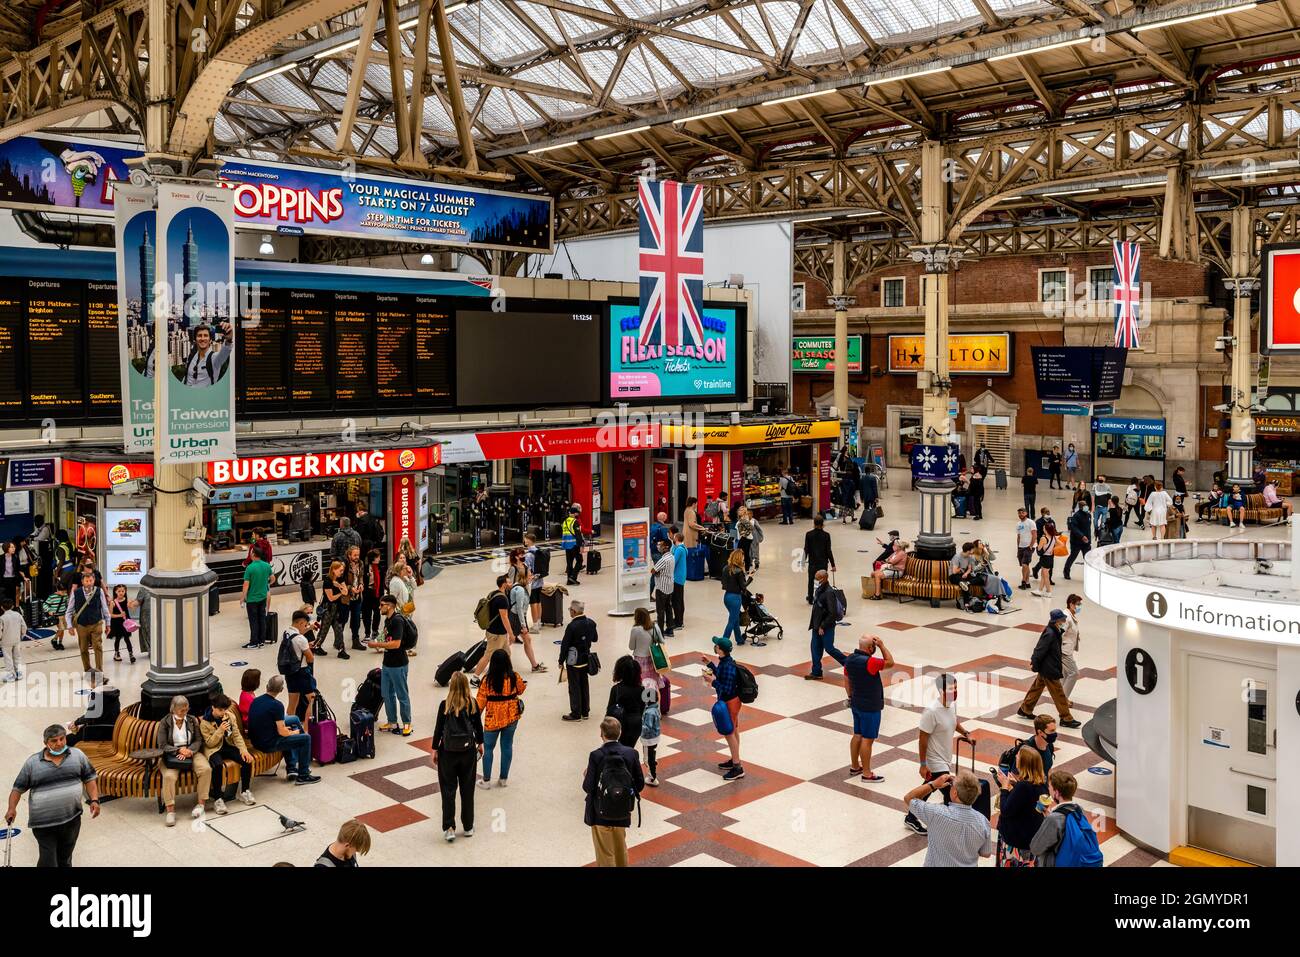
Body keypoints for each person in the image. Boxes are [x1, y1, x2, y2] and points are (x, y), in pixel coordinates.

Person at [5, 724, 100, 867]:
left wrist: (94, 800)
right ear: (46, 743)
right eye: (54, 741)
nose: (59, 743)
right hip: (44, 824)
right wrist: (12, 808)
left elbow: (90, 778)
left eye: (62, 739)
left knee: (65, 859)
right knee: (48, 862)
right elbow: (17, 789)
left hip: (71, 820)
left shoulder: (78, 756)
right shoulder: (33, 763)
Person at [904, 672, 973, 834]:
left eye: (956, 687)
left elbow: (953, 721)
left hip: (945, 756)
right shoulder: (931, 711)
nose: (955, 691)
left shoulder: (951, 705)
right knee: (948, 788)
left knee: (930, 788)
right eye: (951, 688)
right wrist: (923, 764)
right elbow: (922, 740)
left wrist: (965, 733)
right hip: (934, 760)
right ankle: (918, 818)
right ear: (941, 690)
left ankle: (912, 816)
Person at [827, 634, 893, 781]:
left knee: (857, 734)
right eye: (874, 646)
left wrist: (850, 697)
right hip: (870, 705)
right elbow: (890, 662)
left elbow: (846, 681)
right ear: (871, 648)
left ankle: (855, 766)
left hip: (856, 703)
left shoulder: (849, 659)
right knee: (868, 739)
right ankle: (867, 773)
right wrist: (882, 645)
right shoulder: (871, 662)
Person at [582, 716, 645, 867]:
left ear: (602, 734)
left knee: (605, 853)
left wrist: (586, 775)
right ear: (620, 732)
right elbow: (640, 784)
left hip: (600, 812)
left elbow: (588, 787)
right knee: (620, 848)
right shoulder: (631, 754)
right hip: (622, 810)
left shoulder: (596, 755)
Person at [431, 672, 484, 842]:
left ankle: (449, 828)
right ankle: (468, 827)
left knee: (448, 790)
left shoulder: (444, 705)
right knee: (467, 790)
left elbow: (438, 729)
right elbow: (478, 727)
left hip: (447, 752)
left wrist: (434, 749)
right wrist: (480, 744)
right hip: (468, 753)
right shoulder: (472, 704)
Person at [902, 769, 992, 866]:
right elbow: (986, 853)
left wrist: (933, 785)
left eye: (951, 785)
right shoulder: (983, 822)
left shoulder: (936, 813)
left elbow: (909, 798)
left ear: (955, 793)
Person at [246, 675, 320, 785]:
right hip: (268, 744)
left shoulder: (256, 701)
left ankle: (292, 766)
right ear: (281, 690)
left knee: (294, 719)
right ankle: (303, 774)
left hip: (256, 739)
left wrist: (286, 730)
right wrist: (292, 733)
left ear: (267, 686)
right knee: (305, 738)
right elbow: (282, 732)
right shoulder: (277, 705)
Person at [1015, 609, 1080, 727]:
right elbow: (1040, 648)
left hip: (1047, 667)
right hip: (1049, 669)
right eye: (1062, 619)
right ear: (1057, 620)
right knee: (1059, 694)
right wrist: (1034, 662)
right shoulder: (1050, 633)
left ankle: (1025, 709)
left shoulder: (1055, 631)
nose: (1065, 620)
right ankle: (1066, 718)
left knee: (1036, 688)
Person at [157, 695, 212, 826]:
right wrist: (178, 750)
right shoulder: (165, 722)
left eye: (186, 709)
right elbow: (162, 745)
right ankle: (170, 811)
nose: (185, 712)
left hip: (191, 752)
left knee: (206, 769)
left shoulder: (192, 720)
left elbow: (198, 740)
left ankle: (201, 805)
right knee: (169, 776)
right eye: (182, 710)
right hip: (171, 755)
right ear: (173, 709)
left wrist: (189, 751)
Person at [199, 693, 256, 815]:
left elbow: (236, 735)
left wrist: (244, 750)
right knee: (217, 765)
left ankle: (245, 791)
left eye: (225, 710)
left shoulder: (229, 716)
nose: (223, 712)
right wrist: (220, 730)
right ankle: (218, 799)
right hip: (214, 749)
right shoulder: (205, 722)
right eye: (220, 710)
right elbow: (209, 743)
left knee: (246, 759)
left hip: (228, 745)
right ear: (213, 707)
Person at [476, 649, 525, 788]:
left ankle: (486, 781)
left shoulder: (487, 680)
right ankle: (503, 779)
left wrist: (473, 720)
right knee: (507, 746)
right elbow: (521, 689)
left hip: (493, 718)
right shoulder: (514, 677)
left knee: (489, 749)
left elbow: (480, 703)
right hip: (511, 716)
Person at [1029, 770, 1100, 866]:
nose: (1048, 789)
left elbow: (1035, 848)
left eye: (1050, 787)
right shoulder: (1079, 810)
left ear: (1057, 793)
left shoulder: (1054, 819)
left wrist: (1049, 819)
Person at [994, 746, 1050, 866]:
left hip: (1016, 843)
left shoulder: (1023, 787)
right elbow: (1026, 804)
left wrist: (1004, 787)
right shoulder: (1042, 785)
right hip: (1032, 841)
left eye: (1018, 755)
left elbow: (1005, 810)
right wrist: (1015, 785)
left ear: (1024, 763)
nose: (1016, 756)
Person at [367, 594, 414, 736]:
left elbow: (396, 644)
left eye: (382, 605)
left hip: (398, 664)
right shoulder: (388, 620)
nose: (379, 607)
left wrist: (377, 644)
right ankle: (392, 721)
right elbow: (386, 637)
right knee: (386, 694)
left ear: (390, 606)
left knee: (402, 694)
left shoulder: (397, 621)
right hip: (387, 663)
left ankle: (407, 723)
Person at [702, 636, 744, 781]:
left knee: (729, 733)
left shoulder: (727, 666)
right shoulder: (726, 662)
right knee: (735, 730)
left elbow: (725, 688)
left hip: (729, 702)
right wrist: (710, 665)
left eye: (716, 646)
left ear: (720, 650)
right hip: (733, 700)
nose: (715, 647)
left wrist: (712, 682)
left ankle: (737, 767)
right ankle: (734, 759)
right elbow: (722, 676)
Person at [65, 570, 108, 683]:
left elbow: (105, 608)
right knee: (83, 649)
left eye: (91, 580)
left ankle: (99, 672)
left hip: (96, 623)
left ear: (94, 581)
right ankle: (88, 671)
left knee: (97, 647)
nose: (89, 582)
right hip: (82, 625)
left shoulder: (99, 591)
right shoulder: (76, 593)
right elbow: (69, 611)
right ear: (82, 582)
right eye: (86, 580)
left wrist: (108, 623)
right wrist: (69, 626)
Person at [558, 600, 597, 721]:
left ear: (574, 611)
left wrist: (561, 660)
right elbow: (595, 638)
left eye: (570, 609)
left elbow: (565, 645)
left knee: (574, 686)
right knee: (584, 684)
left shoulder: (571, 626)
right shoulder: (591, 623)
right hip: (586, 659)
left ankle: (576, 713)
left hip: (573, 661)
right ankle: (585, 711)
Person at [473, 575, 515, 685]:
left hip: (495, 631)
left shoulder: (493, 593)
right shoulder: (502, 599)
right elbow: (504, 617)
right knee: (488, 656)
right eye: (509, 582)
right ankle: (474, 678)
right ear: (504, 584)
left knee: (507, 653)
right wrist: (511, 634)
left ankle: (510, 677)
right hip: (497, 633)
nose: (511, 583)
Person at [279, 611, 317, 722]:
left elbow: (297, 637)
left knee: (292, 702)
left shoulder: (286, 633)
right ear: (300, 622)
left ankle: (290, 725)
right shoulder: (301, 639)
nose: (305, 627)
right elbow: (310, 658)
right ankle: (307, 726)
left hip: (290, 671)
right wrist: (308, 647)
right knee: (312, 700)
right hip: (302, 672)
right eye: (305, 624)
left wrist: (308, 629)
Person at [606, 655, 646, 749]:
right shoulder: (642, 690)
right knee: (629, 748)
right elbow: (642, 709)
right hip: (636, 724)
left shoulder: (616, 689)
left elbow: (609, 711)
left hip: (619, 724)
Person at [239, 545, 273, 650]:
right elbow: (272, 578)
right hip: (263, 597)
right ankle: (261, 641)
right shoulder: (267, 565)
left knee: (253, 621)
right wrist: (265, 585)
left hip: (252, 599)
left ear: (253, 554)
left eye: (251, 552)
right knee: (262, 619)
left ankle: (253, 642)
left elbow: (246, 585)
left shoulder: (250, 567)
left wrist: (242, 598)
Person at [802, 515, 835, 604]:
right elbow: (829, 551)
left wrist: (803, 561)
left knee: (811, 580)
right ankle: (821, 597)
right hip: (823, 563)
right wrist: (833, 564)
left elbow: (806, 549)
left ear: (814, 523)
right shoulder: (826, 535)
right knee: (822, 580)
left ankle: (810, 597)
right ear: (823, 524)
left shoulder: (808, 534)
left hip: (812, 562)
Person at [719, 549, 749, 647]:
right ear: (740, 558)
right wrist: (750, 578)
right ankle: (723, 643)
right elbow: (743, 586)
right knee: (732, 621)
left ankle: (739, 639)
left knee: (735, 618)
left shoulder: (725, 568)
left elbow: (723, 583)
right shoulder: (739, 571)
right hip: (736, 598)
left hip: (727, 597)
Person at [649, 539, 675, 638]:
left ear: (666, 547)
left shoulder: (663, 560)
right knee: (668, 609)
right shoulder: (671, 557)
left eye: (661, 545)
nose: (659, 546)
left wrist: (657, 572)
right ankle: (670, 629)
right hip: (669, 587)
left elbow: (653, 570)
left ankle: (660, 633)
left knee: (660, 611)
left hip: (661, 588)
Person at [105, 583, 134, 664]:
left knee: (127, 639)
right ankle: (116, 653)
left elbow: (132, 609)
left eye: (123, 591)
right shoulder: (113, 602)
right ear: (115, 592)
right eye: (119, 591)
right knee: (117, 639)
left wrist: (131, 605)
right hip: (117, 624)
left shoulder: (127, 600)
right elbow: (110, 614)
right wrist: (119, 615)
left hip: (125, 624)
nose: (121, 592)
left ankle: (131, 654)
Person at [1062, 501, 1092, 580]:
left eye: (1087, 505)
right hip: (1076, 542)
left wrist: (1089, 540)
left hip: (1086, 542)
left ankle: (1089, 574)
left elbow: (1088, 528)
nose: (1086, 507)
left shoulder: (1088, 515)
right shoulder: (1076, 516)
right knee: (1073, 556)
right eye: (1085, 506)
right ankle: (1066, 571)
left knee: (1088, 559)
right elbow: (1074, 528)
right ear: (1081, 507)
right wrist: (1082, 536)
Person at [1061, 593, 1083, 699]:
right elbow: (1059, 633)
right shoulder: (1066, 617)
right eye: (1078, 604)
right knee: (1074, 673)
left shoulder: (1071, 615)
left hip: (1067, 650)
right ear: (1071, 604)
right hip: (1064, 651)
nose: (1079, 606)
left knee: (1065, 675)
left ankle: (1059, 697)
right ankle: (1063, 700)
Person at [360, 548, 383, 642]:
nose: (379, 558)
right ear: (373, 558)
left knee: (377, 613)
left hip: (377, 593)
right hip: (367, 593)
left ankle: (375, 631)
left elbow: (382, 581)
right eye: (378, 557)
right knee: (367, 614)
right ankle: (367, 633)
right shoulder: (365, 567)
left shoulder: (380, 567)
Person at [1031, 516, 1057, 598]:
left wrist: (1037, 545)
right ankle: (1040, 590)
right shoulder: (1053, 537)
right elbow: (1061, 544)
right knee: (1043, 574)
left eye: (1043, 528)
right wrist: (1052, 549)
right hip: (1050, 558)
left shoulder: (1043, 538)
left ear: (1046, 529)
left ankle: (1049, 592)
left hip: (1045, 558)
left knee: (1046, 576)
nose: (1042, 529)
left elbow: (1039, 548)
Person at [0, 597, 25, 683]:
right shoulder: (18, 615)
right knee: (17, 656)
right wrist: (22, 635)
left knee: (8, 658)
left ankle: (10, 675)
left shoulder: (2, 618)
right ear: (13, 606)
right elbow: (24, 626)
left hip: (6, 641)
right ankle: (19, 673)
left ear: (2, 607)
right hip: (17, 640)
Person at [523, 532, 545, 626]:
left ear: (528, 541)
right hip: (540, 580)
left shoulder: (528, 555)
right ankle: (539, 622)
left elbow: (527, 568)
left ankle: (535, 624)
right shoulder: (538, 551)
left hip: (532, 582)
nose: (524, 541)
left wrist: (527, 581)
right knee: (539, 601)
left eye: (525, 539)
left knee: (533, 603)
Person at [562, 504, 585, 586]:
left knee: (569, 563)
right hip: (574, 545)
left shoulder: (565, 521)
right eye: (577, 513)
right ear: (574, 513)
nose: (578, 514)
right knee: (579, 561)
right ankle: (573, 577)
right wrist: (581, 546)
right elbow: (578, 535)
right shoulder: (575, 521)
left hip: (566, 545)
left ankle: (569, 580)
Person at [670, 530, 687, 631]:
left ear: (676, 539)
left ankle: (679, 622)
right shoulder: (682, 548)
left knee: (677, 601)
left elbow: (673, 561)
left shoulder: (679, 550)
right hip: (680, 577)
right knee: (679, 600)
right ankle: (678, 619)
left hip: (677, 577)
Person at [735, 505, 757, 570]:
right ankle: (745, 568)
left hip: (746, 538)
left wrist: (743, 534)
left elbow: (750, 528)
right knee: (743, 553)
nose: (739, 511)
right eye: (739, 510)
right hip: (744, 538)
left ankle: (746, 568)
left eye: (741, 510)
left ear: (744, 512)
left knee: (743, 553)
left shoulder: (744, 519)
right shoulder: (741, 518)